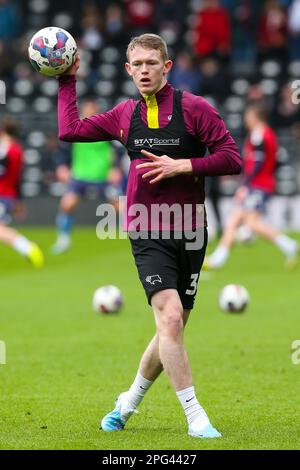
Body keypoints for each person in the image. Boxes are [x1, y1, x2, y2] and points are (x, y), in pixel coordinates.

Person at [57, 34, 242, 438]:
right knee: (171, 318)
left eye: (151, 63)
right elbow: (69, 131)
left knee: (171, 329)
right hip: (146, 226)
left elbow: (232, 158)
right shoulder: (125, 115)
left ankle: (128, 402)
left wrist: (185, 166)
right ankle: (195, 417)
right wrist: (66, 80)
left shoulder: (195, 109)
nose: (143, 70)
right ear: (128, 70)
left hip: (191, 229)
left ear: (166, 67)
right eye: (136, 64)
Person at [204, 103, 299, 270]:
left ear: (255, 116)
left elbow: (257, 163)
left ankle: (289, 245)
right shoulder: (268, 134)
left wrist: (245, 185)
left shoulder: (258, 134)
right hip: (262, 183)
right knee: (234, 220)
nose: (246, 119)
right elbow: (276, 161)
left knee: (251, 222)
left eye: (248, 116)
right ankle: (218, 259)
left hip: (257, 185)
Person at [51, 99, 123, 254]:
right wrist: (62, 167)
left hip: (102, 176)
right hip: (80, 176)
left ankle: (139, 237)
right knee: (67, 204)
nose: (88, 114)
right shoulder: (75, 130)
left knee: (121, 207)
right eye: (86, 111)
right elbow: (63, 151)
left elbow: (117, 151)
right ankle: (63, 239)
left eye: (92, 110)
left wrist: (115, 168)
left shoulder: (106, 130)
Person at [0, 116, 44, 268]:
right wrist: (19, 201)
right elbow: (17, 178)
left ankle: (27, 247)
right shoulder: (18, 150)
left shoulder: (5, 150)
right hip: (9, 195)